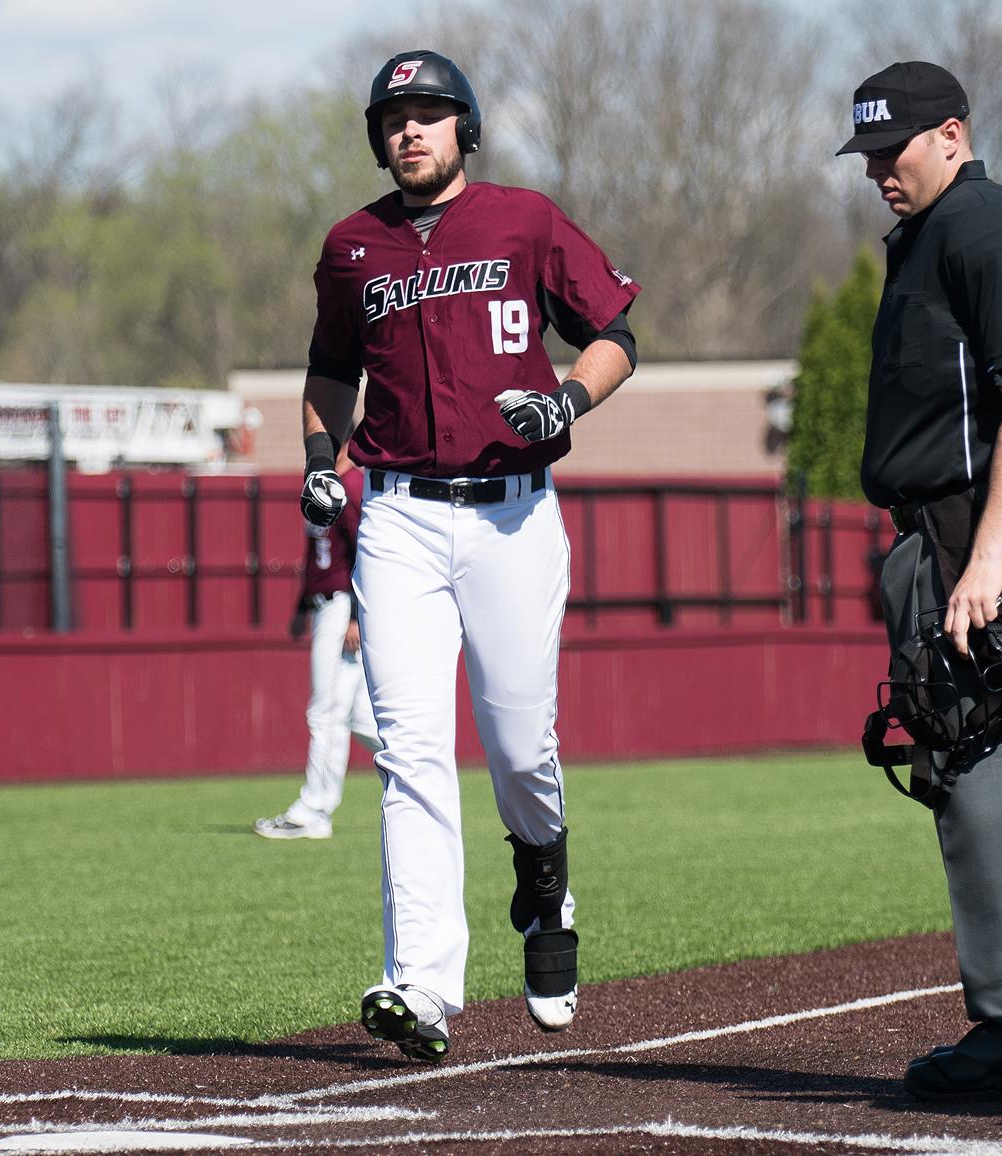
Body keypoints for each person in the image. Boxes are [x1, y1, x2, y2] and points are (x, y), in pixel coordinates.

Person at [299, 48, 639, 1062]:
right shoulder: (350, 246)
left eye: (429, 113)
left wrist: (567, 397)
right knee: (405, 749)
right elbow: (326, 372)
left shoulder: (524, 219)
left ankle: (543, 880)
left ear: (465, 128)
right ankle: (424, 988)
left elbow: (616, 332)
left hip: (511, 515)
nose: (409, 129)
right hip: (397, 515)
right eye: (393, 116)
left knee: (520, 745)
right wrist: (320, 458)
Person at [840, 60, 1002, 1101]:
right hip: (934, 543)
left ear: (951, 133)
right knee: (968, 796)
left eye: (890, 150)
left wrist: (984, 555)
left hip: (979, 539)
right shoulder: (927, 236)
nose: (875, 172)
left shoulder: (986, 224)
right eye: (864, 156)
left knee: (995, 794)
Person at [255, 448, 380, 840]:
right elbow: (315, 555)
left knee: (326, 713)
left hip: (344, 605)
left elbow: (369, 554)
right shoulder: (324, 485)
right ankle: (425, 774)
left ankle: (315, 809)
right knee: (358, 717)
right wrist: (300, 604)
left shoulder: (354, 485)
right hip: (325, 603)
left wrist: (359, 617)